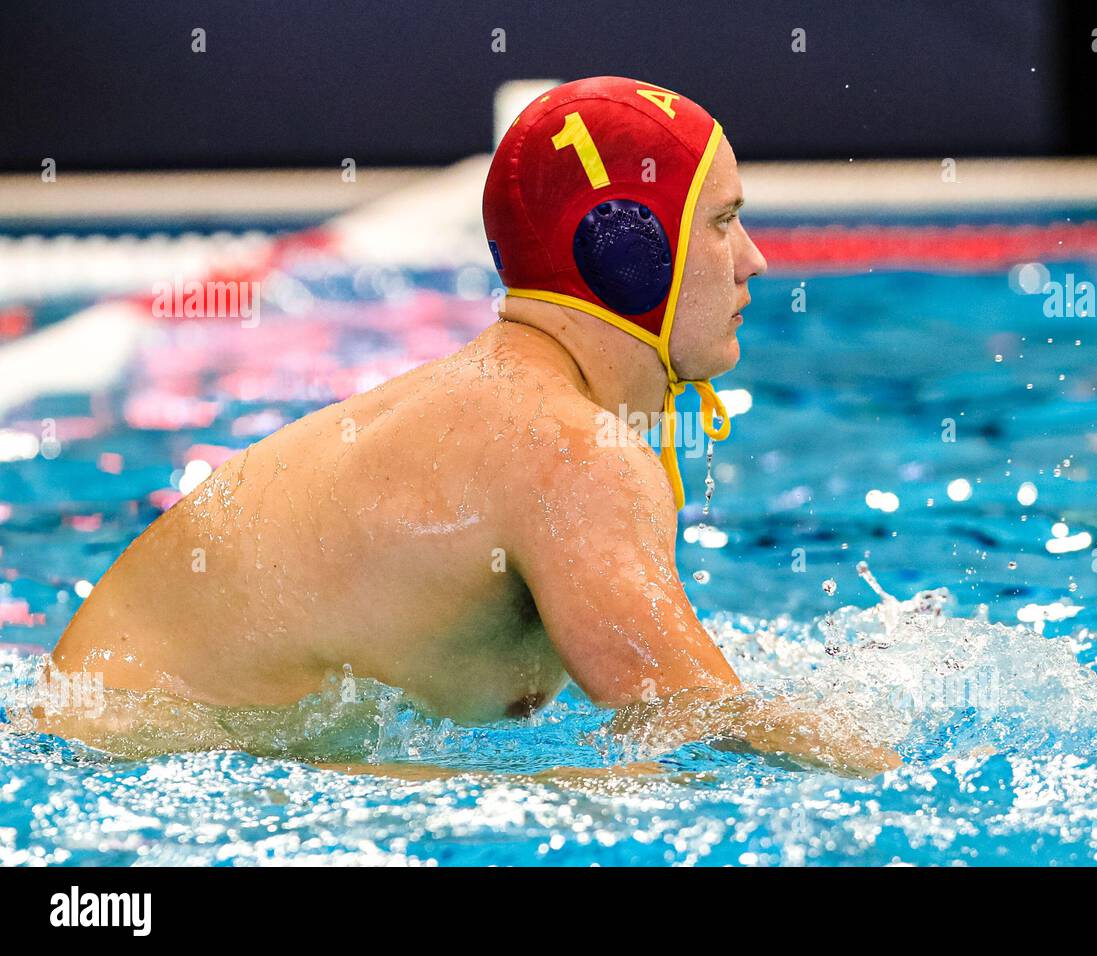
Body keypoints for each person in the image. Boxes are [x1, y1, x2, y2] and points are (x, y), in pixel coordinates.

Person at [40, 76, 900, 776]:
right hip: (140, 774)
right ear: (628, 250)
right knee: (612, 795)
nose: (755, 259)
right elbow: (701, 726)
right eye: (721, 222)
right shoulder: (575, 452)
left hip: (106, 743)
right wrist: (891, 766)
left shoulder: (497, 408)